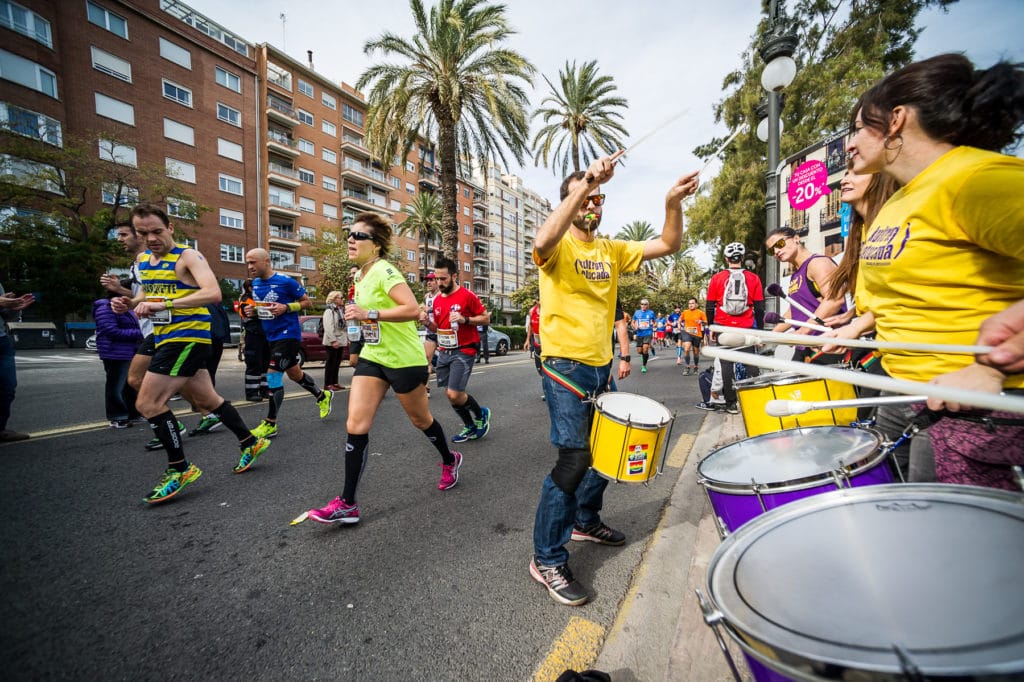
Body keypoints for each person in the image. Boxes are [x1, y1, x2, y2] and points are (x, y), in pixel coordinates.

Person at [834, 53, 1024, 489]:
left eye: (858, 128)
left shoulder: (974, 179)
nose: (850, 144)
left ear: (896, 119)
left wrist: (994, 366)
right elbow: (915, 291)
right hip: (905, 390)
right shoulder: (901, 199)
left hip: (978, 406)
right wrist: (856, 325)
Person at [530, 151, 699, 606]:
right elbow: (542, 240)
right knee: (573, 460)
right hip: (564, 366)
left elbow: (669, 243)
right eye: (584, 198)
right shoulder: (558, 247)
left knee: (605, 452)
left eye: (598, 199)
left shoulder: (611, 250)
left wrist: (672, 202)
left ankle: (585, 521)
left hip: (599, 366)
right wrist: (586, 181)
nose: (592, 205)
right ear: (569, 201)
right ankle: (546, 558)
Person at [306, 213, 463, 524]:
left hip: (404, 360)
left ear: (376, 245)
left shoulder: (385, 271)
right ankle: (347, 503)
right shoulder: (359, 276)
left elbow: (412, 309)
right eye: (349, 235)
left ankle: (450, 459)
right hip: (374, 356)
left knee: (421, 420)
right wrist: (359, 317)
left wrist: (370, 312)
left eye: (359, 236)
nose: (351, 240)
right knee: (356, 423)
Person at [114, 204, 270, 503]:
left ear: (170, 228)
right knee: (208, 401)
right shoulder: (144, 260)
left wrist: (165, 305)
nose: (151, 238)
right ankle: (250, 441)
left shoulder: (188, 256)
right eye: (143, 233)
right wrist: (129, 303)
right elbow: (147, 293)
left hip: (187, 337)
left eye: (157, 231)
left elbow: (212, 293)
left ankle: (180, 469)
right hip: (164, 336)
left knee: (147, 403)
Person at [102, 221, 186, 450]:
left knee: (137, 380)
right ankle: (222, 422)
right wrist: (122, 295)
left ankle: (169, 427)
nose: (119, 239)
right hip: (153, 328)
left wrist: (164, 305)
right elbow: (144, 295)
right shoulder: (139, 263)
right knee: (196, 389)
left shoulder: (157, 259)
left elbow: (206, 292)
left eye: (124, 234)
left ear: (138, 236)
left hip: (166, 330)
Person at [244, 248, 334, 440]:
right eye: (247, 263)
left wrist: (287, 307)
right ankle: (322, 396)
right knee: (295, 374)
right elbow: (265, 308)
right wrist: (254, 311)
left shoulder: (286, 282)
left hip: (288, 335)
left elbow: (307, 302)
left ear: (266, 261)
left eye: (253, 262)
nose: (249, 267)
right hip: (271, 337)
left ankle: (270, 423)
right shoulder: (256, 284)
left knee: (272, 375)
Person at [427, 256, 492, 444]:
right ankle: (469, 425)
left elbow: (485, 318)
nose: (439, 283)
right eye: (437, 278)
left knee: (454, 393)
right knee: (450, 394)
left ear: (454, 276)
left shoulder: (467, 295)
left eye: (443, 278)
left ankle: (480, 415)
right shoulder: (437, 300)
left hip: (464, 350)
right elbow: (438, 328)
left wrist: (465, 320)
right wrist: (426, 322)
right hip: (444, 350)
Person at [764, 226, 846, 362]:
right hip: (806, 345)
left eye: (780, 244)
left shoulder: (818, 263)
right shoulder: (796, 274)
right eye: (771, 250)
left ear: (796, 239)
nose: (776, 251)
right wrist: (768, 337)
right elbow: (795, 310)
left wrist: (803, 331)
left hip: (829, 343)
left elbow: (834, 300)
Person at [705, 242, 764, 414]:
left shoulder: (717, 278)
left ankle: (731, 403)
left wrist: (711, 327)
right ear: (743, 258)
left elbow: (709, 306)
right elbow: (760, 308)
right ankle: (754, 400)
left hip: (723, 327)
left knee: (726, 364)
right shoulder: (753, 278)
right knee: (751, 363)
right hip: (746, 328)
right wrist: (759, 332)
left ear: (726, 259)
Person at [93, 290, 143, 428]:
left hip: (129, 351)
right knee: (115, 386)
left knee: (129, 385)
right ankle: (117, 417)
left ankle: (133, 413)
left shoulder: (127, 307)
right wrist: (140, 333)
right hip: (114, 352)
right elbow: (111, 330)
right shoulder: (105, 308)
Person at [188, 303, 231, 436]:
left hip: (205, 338)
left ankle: (210, 407)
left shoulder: (205, 300)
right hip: (210, 337)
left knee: (199, 373)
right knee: (202, 373)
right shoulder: (211, 302)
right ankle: (210, 406)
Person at [0, 284, 35, 442]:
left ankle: (1, 428)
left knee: (7, 387)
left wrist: (14, 307)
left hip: (2, 341)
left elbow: (5, 315)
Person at [238, 279, 270, 401]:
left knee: (265, 363)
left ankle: (264, 390)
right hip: (253, 335)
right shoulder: (246, 299)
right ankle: (251, 392)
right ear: (250, 288)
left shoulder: (258, 298)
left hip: (263, 334)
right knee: (254, 364)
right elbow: (248, 312)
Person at [322, 290, 348, 391]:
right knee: (331, 363)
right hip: (332, 342)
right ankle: (328, 384)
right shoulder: (330, 310)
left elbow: (343, 326)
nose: (343, 299)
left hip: (340, 341)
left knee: (336, 363)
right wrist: (333, 341)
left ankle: (334, 382)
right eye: (341, 298)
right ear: (334, 299)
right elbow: (328, 327)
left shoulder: (339, 310)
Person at [420, 272, 440, 396]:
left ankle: (455, 384)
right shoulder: (426, 296)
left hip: (443, 331)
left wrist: (430, 309)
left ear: (437, 281)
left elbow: (444, 309)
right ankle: (426, 387)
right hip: (430, 331)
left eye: (431, 280)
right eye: (427, 280)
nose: (428, 283)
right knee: (426, 359)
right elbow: (425, 310)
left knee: (450, 361)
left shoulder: (442, 295)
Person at [680, 298, 708, 375]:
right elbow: (680, 320)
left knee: (696, 352)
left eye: (692, 303)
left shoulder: (701, 313)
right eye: (689, 303)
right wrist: (679, 326)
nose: (690, 305)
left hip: (697, 334)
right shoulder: (685, 312)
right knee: (686, 349)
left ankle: (696, 366)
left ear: (696, 304)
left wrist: (701, 321)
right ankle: (687, 366)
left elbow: (706, 322)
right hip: (687, 333)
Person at [630, 299, 656, 373]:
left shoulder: (651, 313)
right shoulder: (637, 312)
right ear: (640, 305)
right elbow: (632, 322)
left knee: (645, 349)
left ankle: (644, 366)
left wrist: (653, 325)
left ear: (648, 305)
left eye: (645, 304)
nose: (643, 305)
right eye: (642, 304)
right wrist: (635, 327)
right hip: (639, 333)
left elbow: (655, 322)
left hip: (648, 333)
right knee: (639, 351)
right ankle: (644, 355)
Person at [346, 265, 363, 368]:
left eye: (354, 273)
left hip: (367, 327)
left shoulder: (367, 288)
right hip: (354, 328)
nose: (351, 275)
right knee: (353, 362)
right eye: (351, 273)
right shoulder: (352, 290)